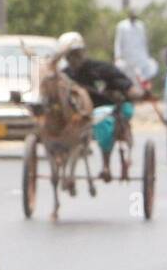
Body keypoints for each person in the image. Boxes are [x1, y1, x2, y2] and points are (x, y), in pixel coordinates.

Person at [57, 31, 133, 181]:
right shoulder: (63, 76)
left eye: (76, 54)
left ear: (83, 52)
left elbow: (126, 87)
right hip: (76, 116)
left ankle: (106, 166)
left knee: (103, 122)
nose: (73, 59)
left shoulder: (103, 69)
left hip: (103, 111)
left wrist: (134, 93)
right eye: (69, 55)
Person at [113, 8, 157, 88]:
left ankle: (144, 92)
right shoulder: (122, 26)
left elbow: (144, 41)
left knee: (147, 72)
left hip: (140, 56)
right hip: (127, 56)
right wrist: (117, 55)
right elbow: (118, 42)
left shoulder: (140, 25)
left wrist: (147, 54)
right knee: (129, 76)